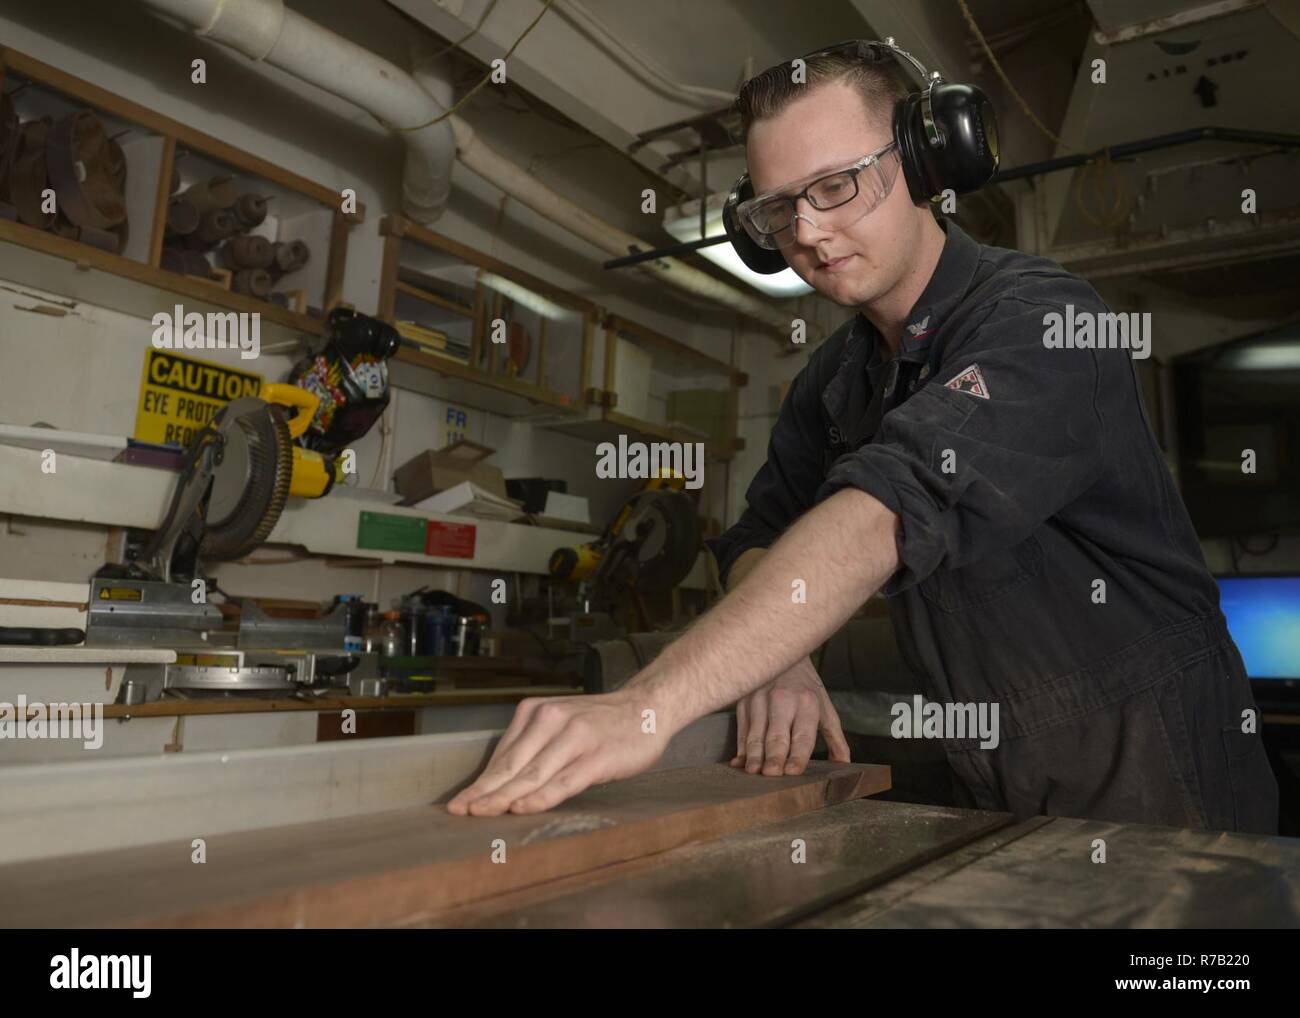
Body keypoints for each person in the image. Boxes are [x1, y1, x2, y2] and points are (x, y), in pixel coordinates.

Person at [448, 40, 1278, 834]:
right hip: (987, 767)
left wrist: (648, 707)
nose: (806, 231)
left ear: (926, 161)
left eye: (837, 185)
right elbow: (755, 535)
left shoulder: (1045, 320)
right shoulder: (835, 380)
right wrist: (778, 654)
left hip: (1157, 765)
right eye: (781, 206)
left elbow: (891, 506)